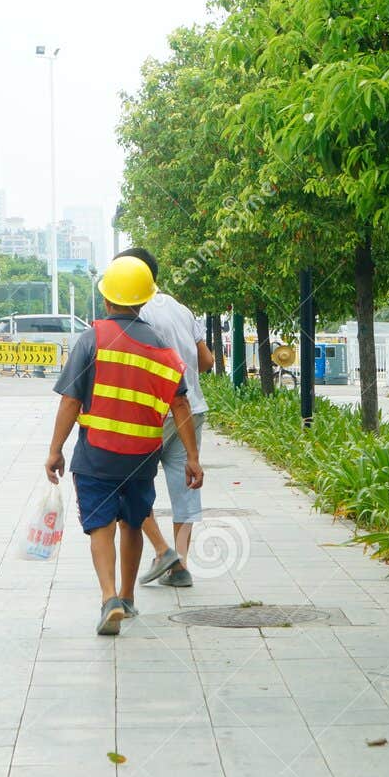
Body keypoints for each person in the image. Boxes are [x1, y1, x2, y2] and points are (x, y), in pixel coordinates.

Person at [45, 255, 204, 637]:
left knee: (101, 523)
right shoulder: (164, 349)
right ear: (144, 300)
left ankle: (108, 597)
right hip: (142, 455)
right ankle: (129, 597)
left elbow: (70, 400)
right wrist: (193, 459)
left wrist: (55, 449)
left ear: (106, 300)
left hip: (97, 452)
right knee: (133, 521)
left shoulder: (92, 339)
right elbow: (180, 403)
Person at [108, 247, 215, 590]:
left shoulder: (133, 313)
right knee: (185, 486)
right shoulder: (181, 308)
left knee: (126, 483)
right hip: (192, 408)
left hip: (151, 412)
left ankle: (162, 549)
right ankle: (179, 565)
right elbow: (207, 361)